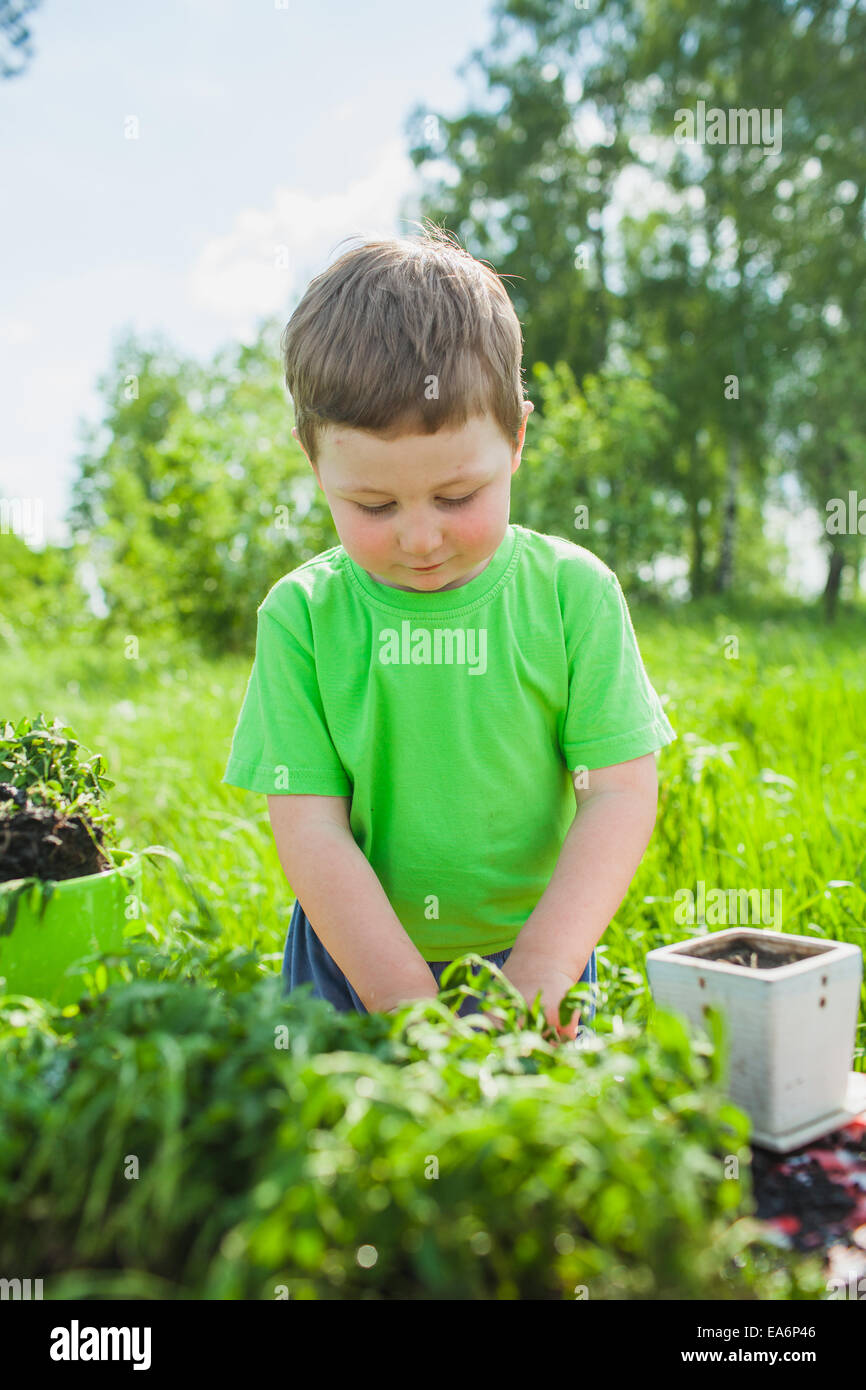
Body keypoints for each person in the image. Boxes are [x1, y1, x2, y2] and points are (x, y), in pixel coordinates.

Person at [222, 223, 676, 1041]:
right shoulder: (303, 618)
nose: (421, 538)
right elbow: (311, 827)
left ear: (517, 441)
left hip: (536, 955)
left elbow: (617, 792)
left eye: (458, 495)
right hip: (351, 964)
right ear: (313, 462)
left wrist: (543, 969)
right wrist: (404, 1004)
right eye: (374, 506)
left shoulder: (574, 596)